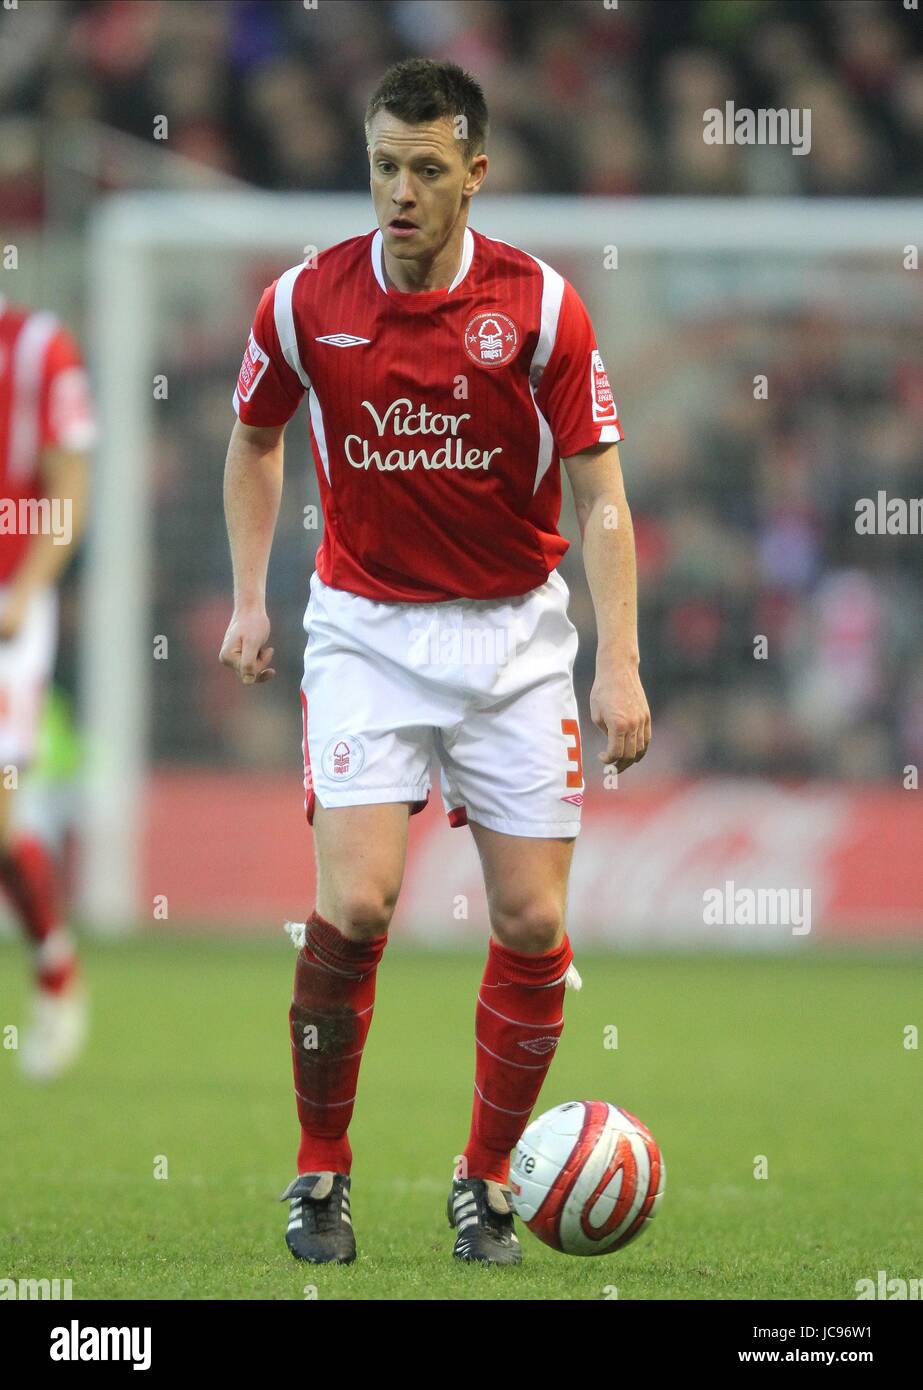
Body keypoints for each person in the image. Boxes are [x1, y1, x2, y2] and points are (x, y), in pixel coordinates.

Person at [220, 58, 650, 1265]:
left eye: (423, 169)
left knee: (529, 923)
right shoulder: (304, 302)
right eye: (380, 167)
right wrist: (249, 599)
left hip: (514, 636)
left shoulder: (545, 308)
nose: (397, 193)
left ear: (474, 170)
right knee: (354, 903)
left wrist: (615, 662)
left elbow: (600, 495)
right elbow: (252, 444)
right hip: (366, 627)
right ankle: (319, 1173)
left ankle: (483, 1182)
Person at [0, 295, 93, 1080]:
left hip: (6, 611)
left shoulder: (35, 346)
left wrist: (28, 588)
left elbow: (69, 485)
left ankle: (56, 967)